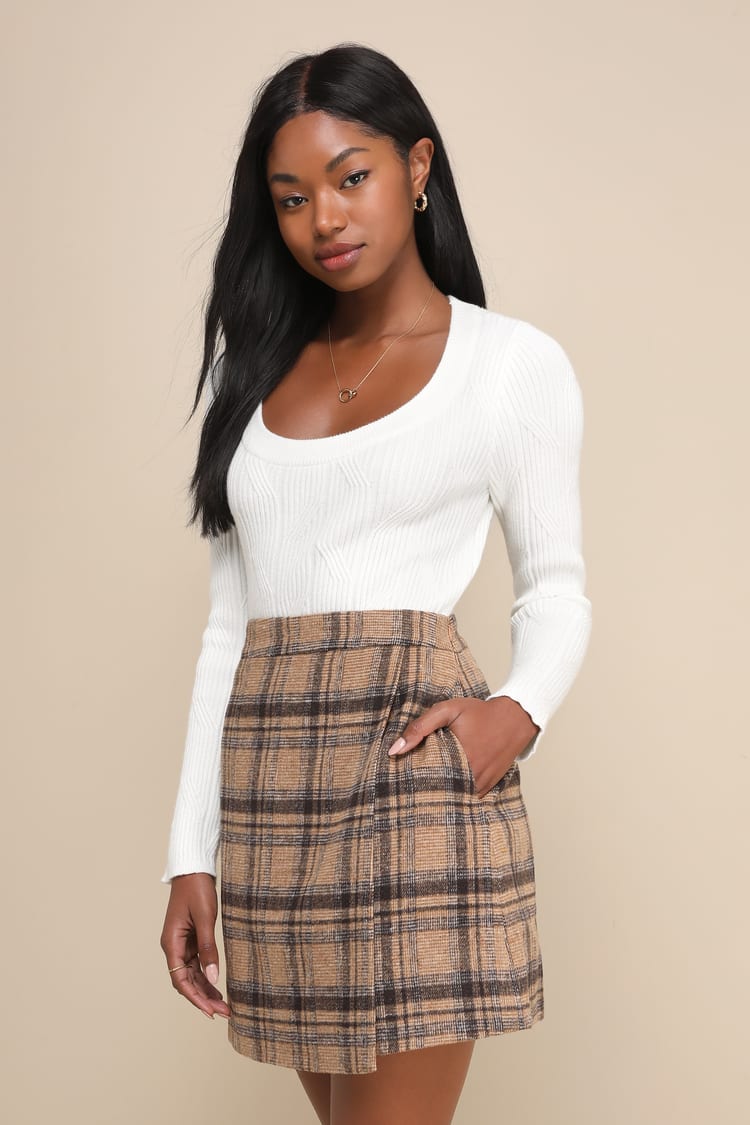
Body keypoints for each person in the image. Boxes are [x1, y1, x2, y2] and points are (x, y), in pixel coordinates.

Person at [159, 42, 592, 1125]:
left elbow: (556, 588)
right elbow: (228, 630)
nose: (326, 219)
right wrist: (189, 854)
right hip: (273, 799)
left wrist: (517, 713)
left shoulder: (509, 365)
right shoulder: (251, 370)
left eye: (352, 177)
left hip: (412, 781)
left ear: (418, 167)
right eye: (292, 196)